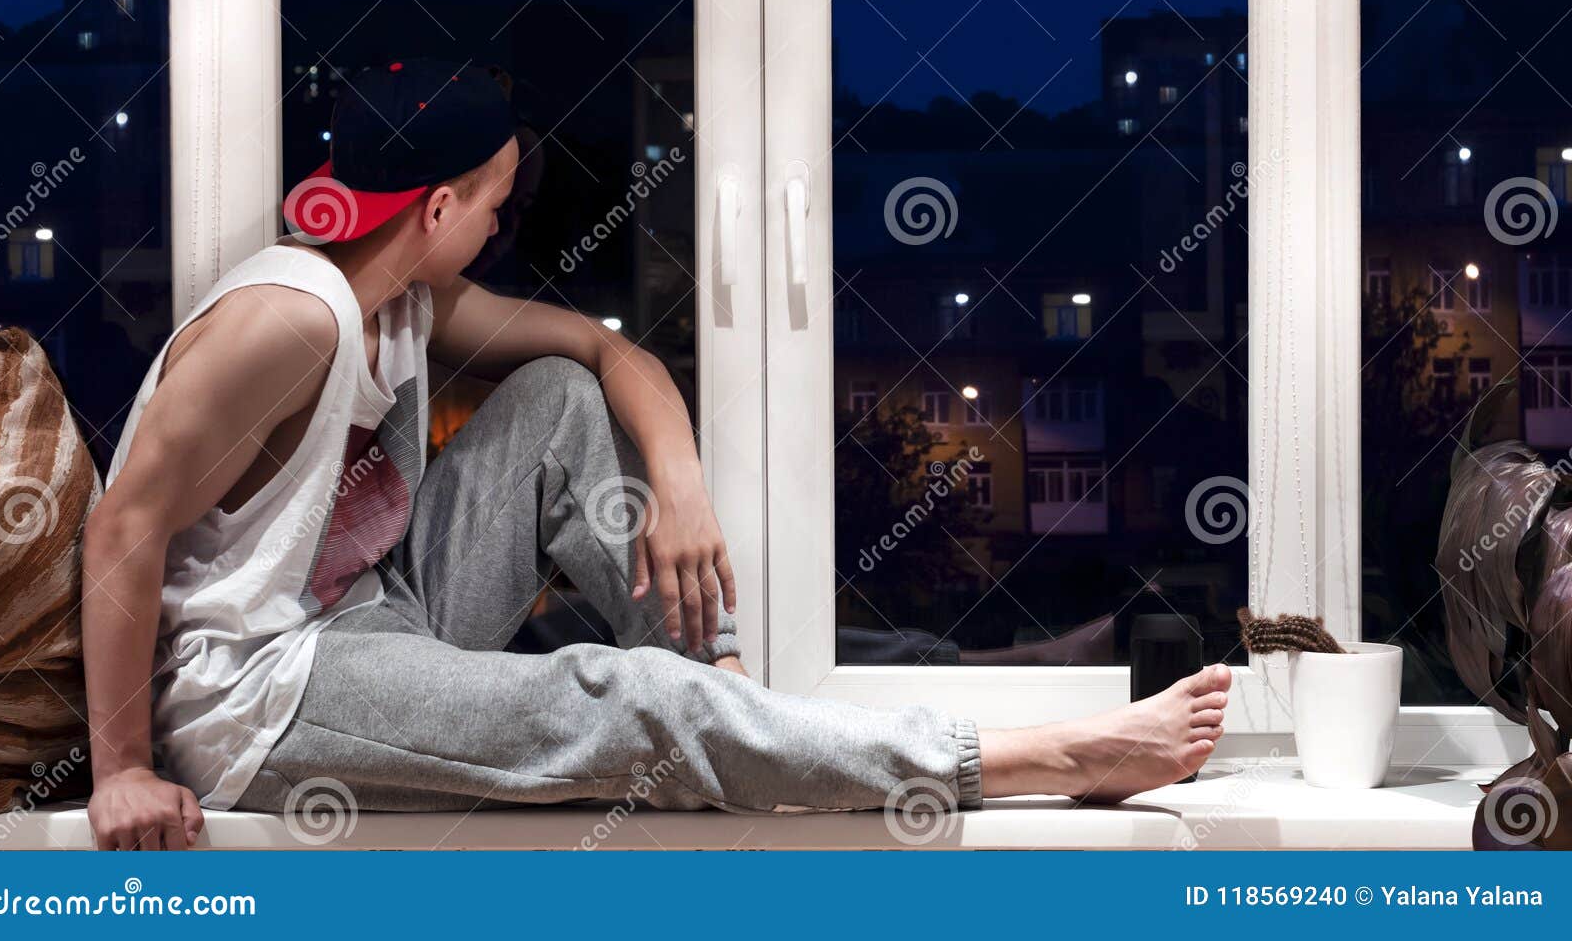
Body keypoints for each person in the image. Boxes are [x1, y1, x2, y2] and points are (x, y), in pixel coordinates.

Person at [82, 60, 1229, 851]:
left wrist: (676, 485)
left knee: (553, 394)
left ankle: (732, 710)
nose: (500, 222)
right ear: (435, 206)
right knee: (623, 699)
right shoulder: (293, 319)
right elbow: (122, 526)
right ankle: (1041, 754)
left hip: (378, 619)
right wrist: (121, 767)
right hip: (260, 691)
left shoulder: (405, 302)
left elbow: (601, 352)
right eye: (494, 200)